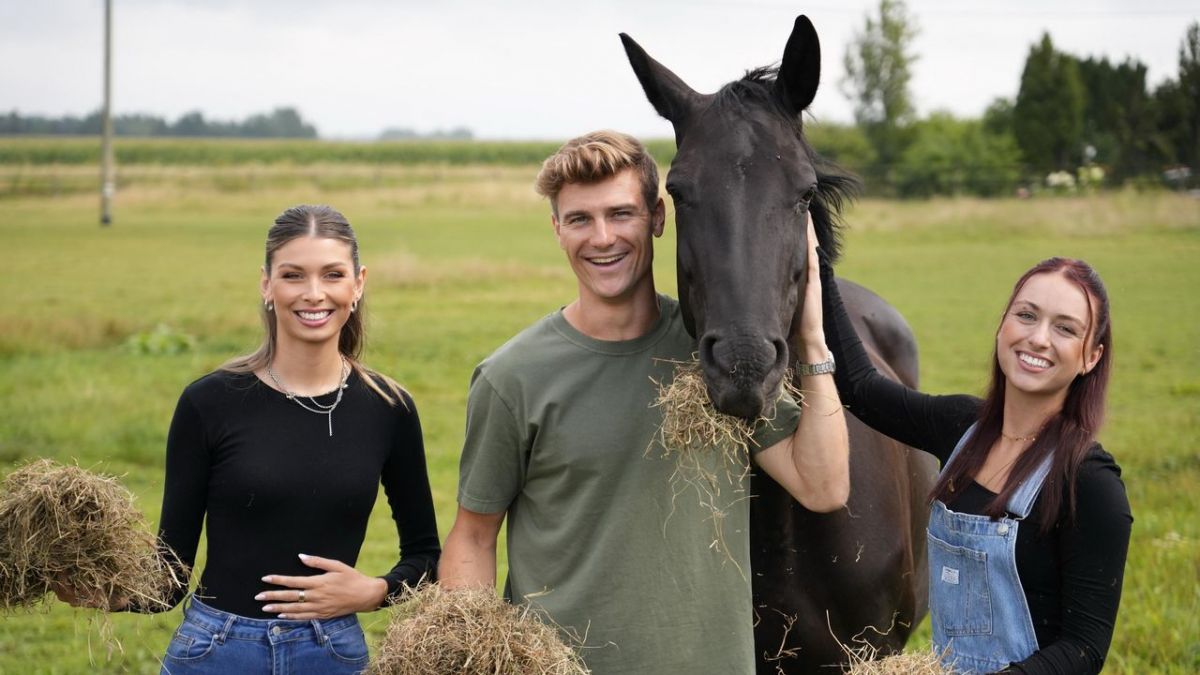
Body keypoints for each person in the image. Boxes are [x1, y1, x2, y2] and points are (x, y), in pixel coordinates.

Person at [438, 130, 850, 674]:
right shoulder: (511, 377)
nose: (602, 238)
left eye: (620, 214)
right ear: (557, 230)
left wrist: (813, 341)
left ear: (657, 217)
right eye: (580, 219)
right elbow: (473, 537)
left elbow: (822, 486)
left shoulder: (713, 353)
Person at [54, 205, 440, 674]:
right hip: (215, 651)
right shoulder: (209, 402)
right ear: (266, 284)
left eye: (332, 275)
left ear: (357, 284)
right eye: (293, 275)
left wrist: (374, 591)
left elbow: (425, 556)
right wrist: (105, 591)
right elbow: (169, 578)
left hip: (331, 653)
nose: (313, 293)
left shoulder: (388, 407)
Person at [819, 255, 1131, 673]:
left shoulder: (1090, 483)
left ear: (1091, 356)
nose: (1038, 338)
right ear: (1003, 326)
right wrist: (817, 264)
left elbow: (1083, 649)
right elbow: (860, 387)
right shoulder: (961, 427)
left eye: (1065, 328)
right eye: (1026, 315)